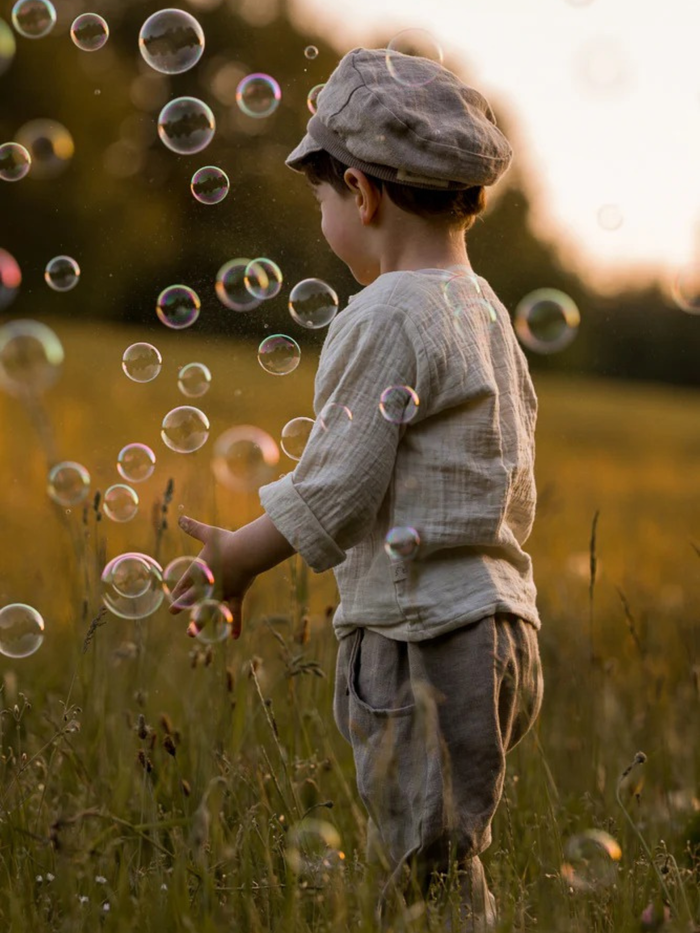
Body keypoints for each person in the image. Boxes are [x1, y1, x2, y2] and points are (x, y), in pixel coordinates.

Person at [172, 47, 544, 930]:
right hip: (501, 629)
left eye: (322, 201)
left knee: (427, 872)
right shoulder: (484, 307)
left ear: (361, 192)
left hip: (421, 638)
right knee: (450, 853)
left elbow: (336, 490)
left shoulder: (384, 312)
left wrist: (237, 556)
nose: (324, 220)